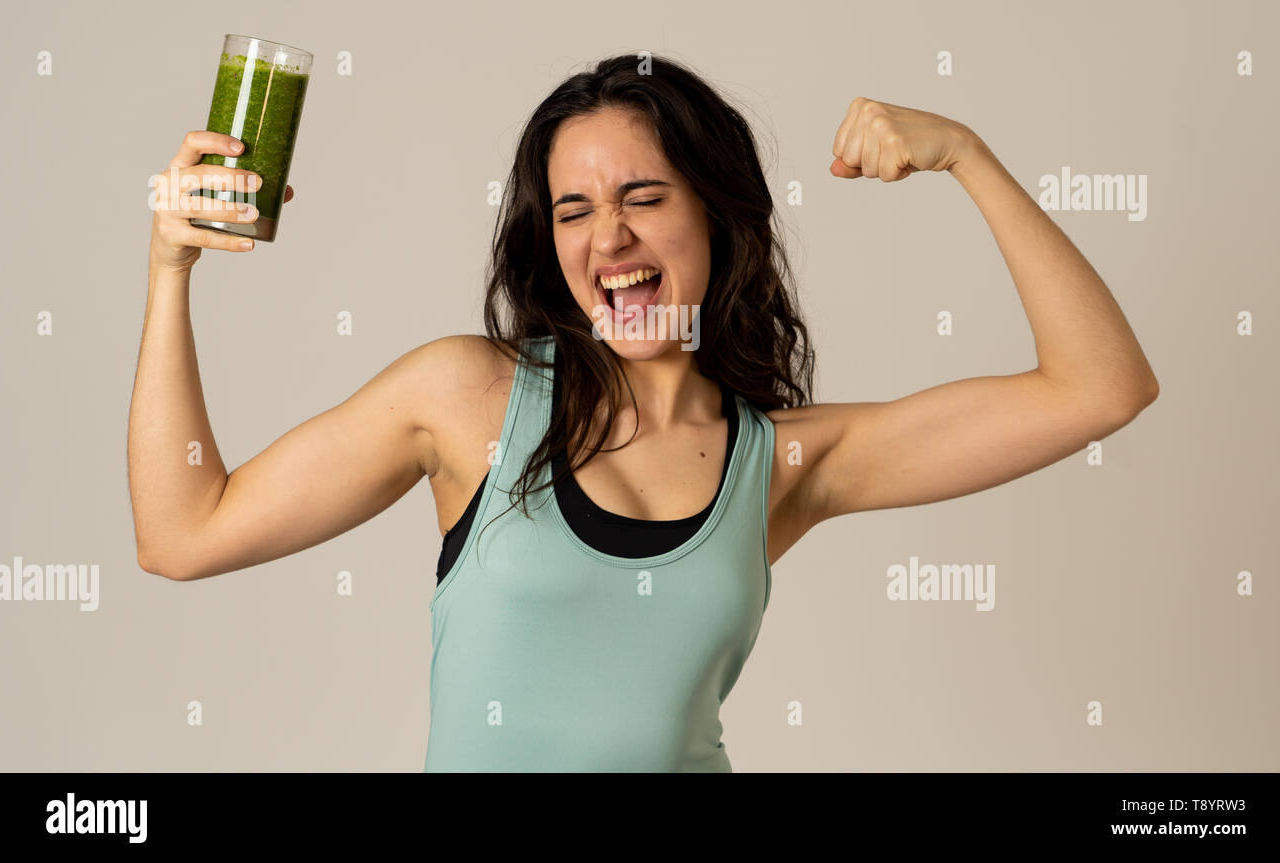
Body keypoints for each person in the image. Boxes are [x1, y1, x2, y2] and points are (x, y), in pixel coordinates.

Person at [129, 53, 1159, 772]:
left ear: (715, 209)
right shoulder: (466, 396)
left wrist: (965, 155)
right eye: (573, 209)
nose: (608, 236)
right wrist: (169, 272)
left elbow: (1099, 386)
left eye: (644, 195)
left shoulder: (783, 461)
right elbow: (183, 531)